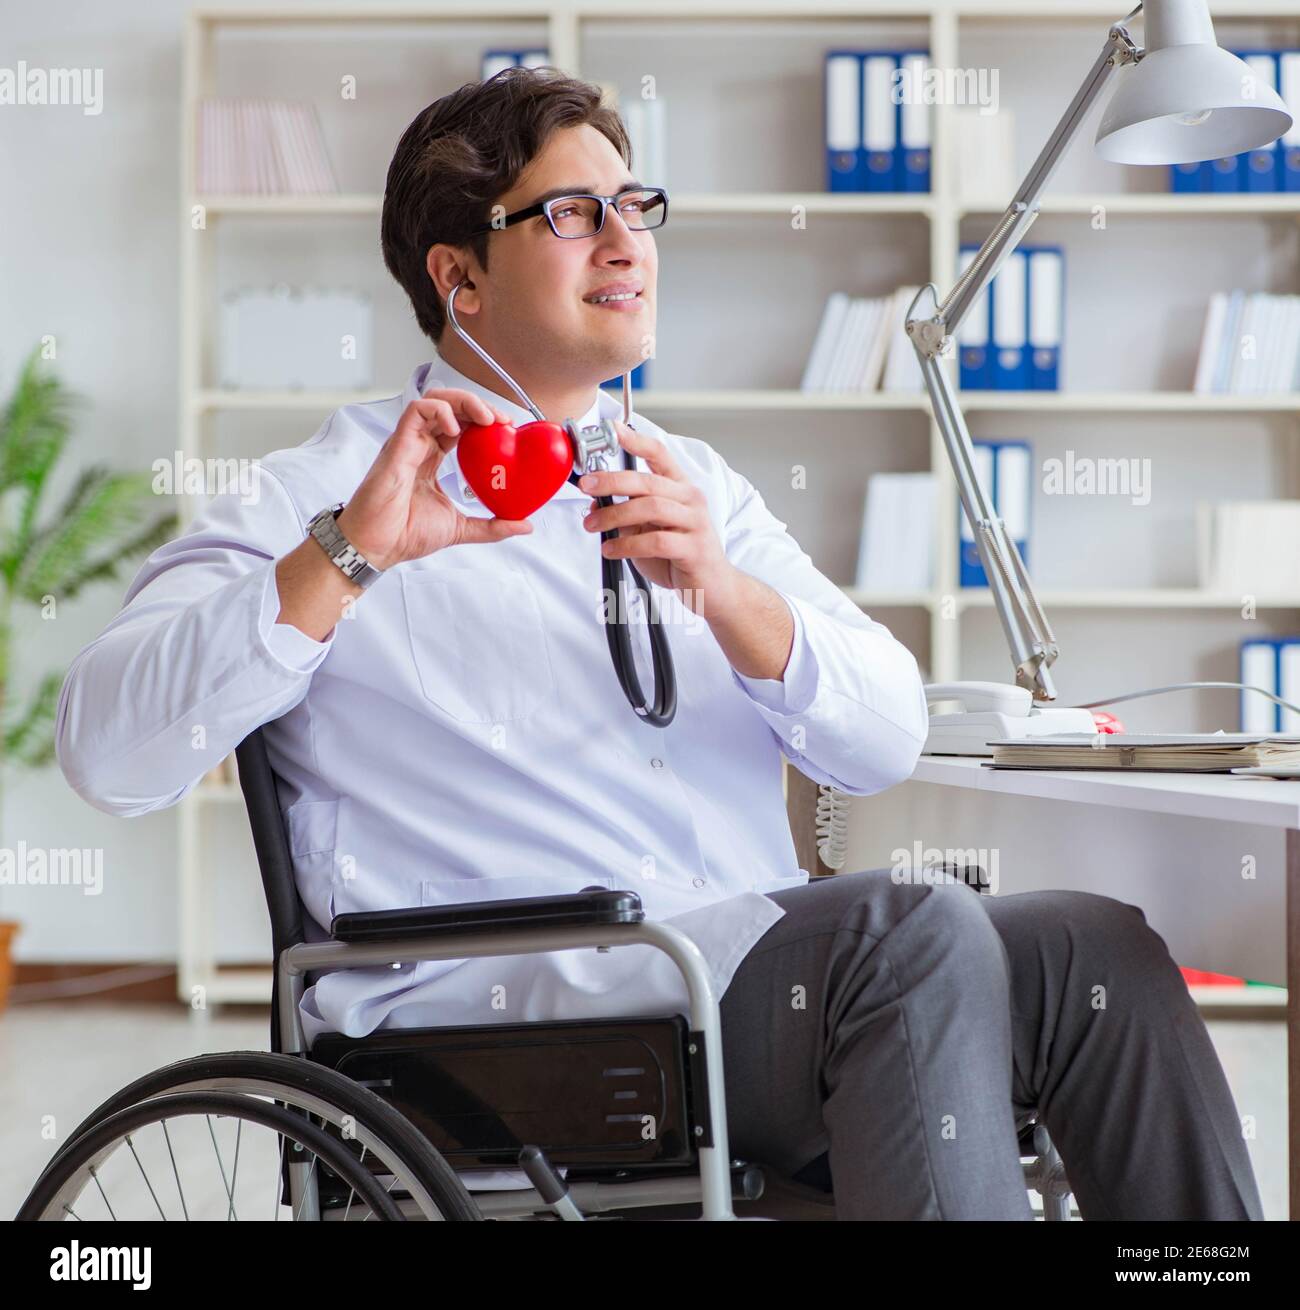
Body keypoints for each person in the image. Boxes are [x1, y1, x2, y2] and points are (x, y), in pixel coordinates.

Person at [56, 66, 1262, 1220]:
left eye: (635, 206)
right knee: (907, 933)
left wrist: (729, 595)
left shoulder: (693, 486)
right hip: (516, 1025)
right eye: (573, 213)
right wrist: (350, 555)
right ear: (457, 275)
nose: (627, 240)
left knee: (1092, 946)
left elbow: (884, 735)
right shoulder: (317, 493)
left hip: (736, 980)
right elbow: (110, 750)